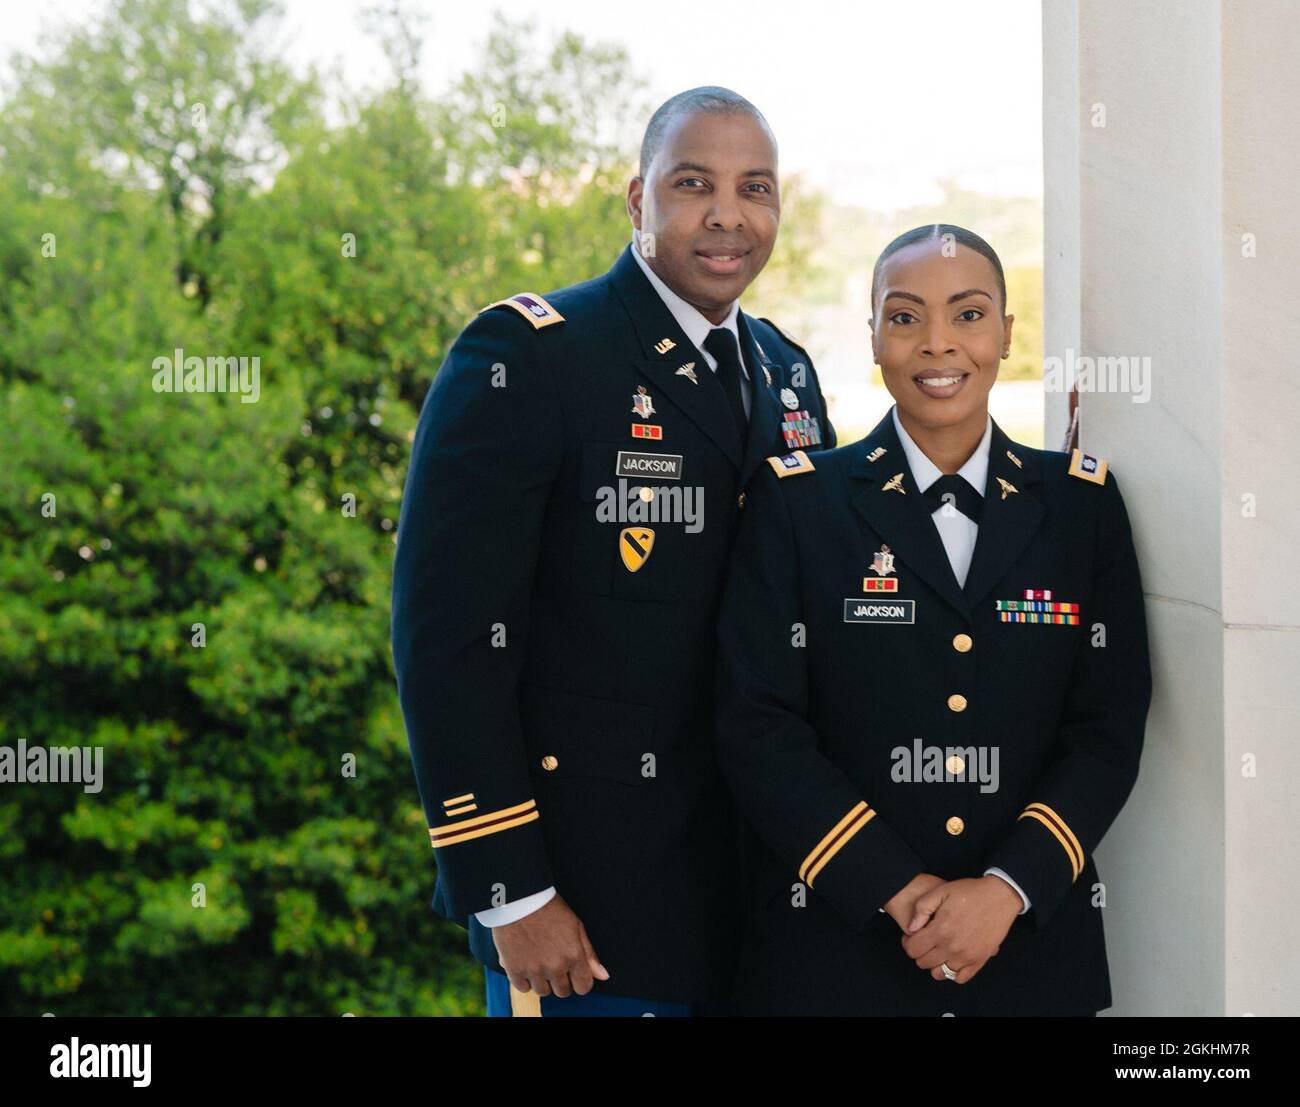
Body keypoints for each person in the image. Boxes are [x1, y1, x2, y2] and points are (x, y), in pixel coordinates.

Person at [391, 87, 835, 1017]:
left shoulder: (787, 375)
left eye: (755, 187)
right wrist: (508, 888)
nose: (727, 213)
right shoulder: (533, 356)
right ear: (638, 200)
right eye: (693, 183)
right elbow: (449, 639)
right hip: (587, 916)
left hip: (762, 903)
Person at [715, 224, 1151, 1016]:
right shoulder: (797, 503)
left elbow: (1108, 728)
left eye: (970, 314)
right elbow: (756, 724)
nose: (938, 344)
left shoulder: (1081, 508)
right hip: (837, 963)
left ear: (1008, 335)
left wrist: (1007, 889)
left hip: (1028, 961)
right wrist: (897, 887)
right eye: (906, 317)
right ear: (874, 339)